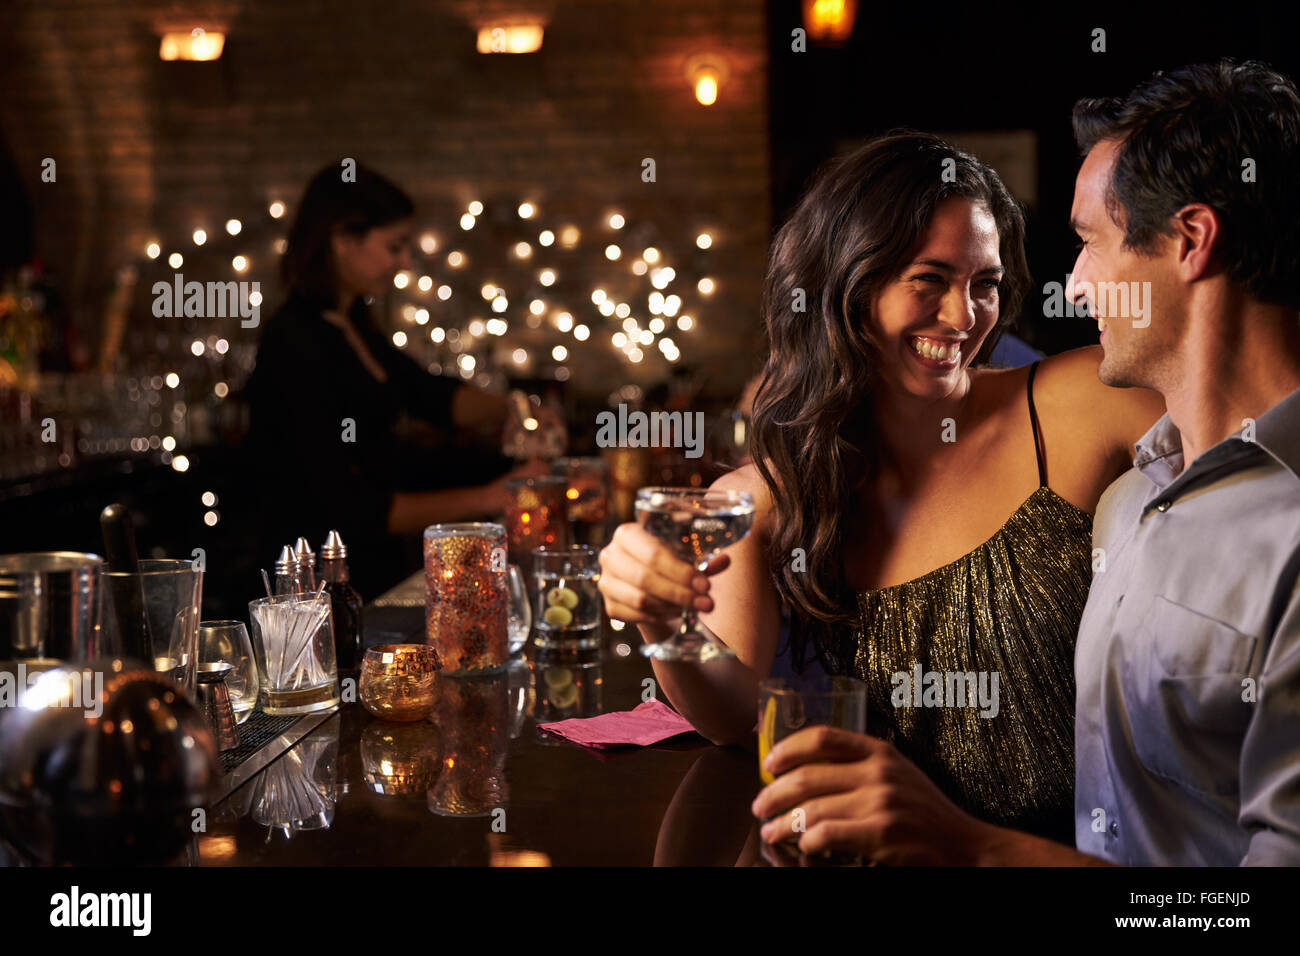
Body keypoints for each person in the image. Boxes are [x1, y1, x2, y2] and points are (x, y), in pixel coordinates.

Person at [751, 60, 1300, 866]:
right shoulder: (1135, 494)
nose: (1071, 289)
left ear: (1190, 240)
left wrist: (972, 848)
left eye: (1088, 244)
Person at [597, 131, 1165, 844]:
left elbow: (1252, 404)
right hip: (892, 858)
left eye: (984, 284)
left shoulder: (1074, 401)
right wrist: (664, 622)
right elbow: (738, 715)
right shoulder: (768, 495)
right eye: (928, 279)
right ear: (847, 286)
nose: (963, 318)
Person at [243, 163, 547, 598]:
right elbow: (345, 505)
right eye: (395, 246)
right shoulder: (294, 343)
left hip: (372, 569)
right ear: (343, 240)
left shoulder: (352, 325)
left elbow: (431, 394)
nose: (405, 261)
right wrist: (487, 498)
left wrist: (518, 407)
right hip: (317, 589)